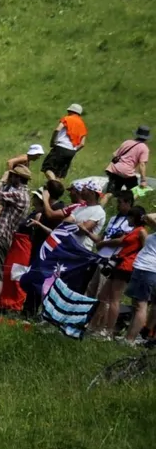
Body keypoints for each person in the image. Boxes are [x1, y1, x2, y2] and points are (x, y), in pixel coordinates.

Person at [0, 165, 33, 313]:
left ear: (17, 177)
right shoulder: (21, 195)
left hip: (1, 235)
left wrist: (2, 180)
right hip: (3, 236)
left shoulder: (18, 195)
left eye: (12, 175)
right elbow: (1, 202)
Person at [89, 205, 144, 341]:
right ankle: (96, 326)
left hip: (127, 267)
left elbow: (143, 249)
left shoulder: (142, 231)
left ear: (135, 218)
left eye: (130, 217)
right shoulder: (133, 230)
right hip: (119, 264)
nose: (128, 219)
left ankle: (108, 331)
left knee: (114, 299)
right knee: (103, 295)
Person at [123, 211, 156, 345]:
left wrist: (143, 217)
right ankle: (140, 335)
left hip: (147, 269)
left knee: (139, 305)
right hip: (151, 270)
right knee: (148, 305)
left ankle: (130, 339)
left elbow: (149, 216)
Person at [105, 126, 150, 204]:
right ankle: (126, 208)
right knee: (135, 191)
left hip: (114, 169)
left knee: (109, 194)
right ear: (146, 137)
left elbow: (115, 155)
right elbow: (142, 164)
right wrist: (143, 180)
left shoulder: (127, 142)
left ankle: (99, 208)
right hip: (127, 173)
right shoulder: (144, 148)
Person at [45, 102, 87, 179]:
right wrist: (73, 150)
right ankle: (51, 188)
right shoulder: (82, 125)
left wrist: (53, 142)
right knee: (59, 174)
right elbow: (82, 144)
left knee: (48, 168)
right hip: (71, 151)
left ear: (70, 111)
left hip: (60, 147)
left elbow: (57, 129)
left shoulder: (67, 119)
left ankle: (53, 185)